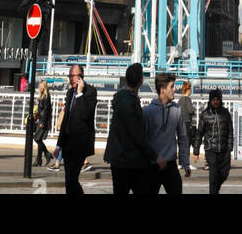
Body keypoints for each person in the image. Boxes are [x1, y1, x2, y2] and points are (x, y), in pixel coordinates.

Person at [105, 63, 157, 195]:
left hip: (120, 159)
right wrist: (154, 156)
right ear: (141, 81)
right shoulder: (128, 101)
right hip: (130, 161)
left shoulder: (123, 99)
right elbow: (136, 133)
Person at [143, 72, 191, 195]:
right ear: (163, 90)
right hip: (152, 166)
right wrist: (154, 158)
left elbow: (183, 138)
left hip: (171, 166)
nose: (175, 89)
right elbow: (142, 140)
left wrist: (185, 163)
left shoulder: (177, 110)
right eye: (172, 86)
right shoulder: (148, 112)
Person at [56, 65, 97, 196]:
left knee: (72, 179)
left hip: (80, 144)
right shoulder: (69, 93)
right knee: (69, 180)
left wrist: (80, 94)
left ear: (81, 77)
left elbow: (86, 114)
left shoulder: (90, 92)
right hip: (67, 143)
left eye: (74, 76)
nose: (71, 79)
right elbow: (65, 120)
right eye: (70, 76)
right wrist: (59, 145)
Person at [192, 88, 234, 195]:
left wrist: (230, 148)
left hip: (224, 149)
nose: (215, 102)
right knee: (213, 173)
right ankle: (213, 191)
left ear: (220, 100)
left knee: (224, 173)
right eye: (213, 100)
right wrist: (196, 151)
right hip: (210, 149)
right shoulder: (205, 114)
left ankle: (215, 189)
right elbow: (199, 133)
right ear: (210, 101)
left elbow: (230, 131)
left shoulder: (225, 113)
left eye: (217, 99)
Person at [33, 81, 53, 168]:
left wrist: (43, 123)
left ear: (44, 87)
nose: (39, 88)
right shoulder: (43, 96)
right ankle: (44, 155)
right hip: (41, 120)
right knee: (38, 139)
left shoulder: (46, 96)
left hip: (43, 121)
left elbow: (46, 111)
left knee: (37, 139)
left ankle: (41, 158)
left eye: (40, 86)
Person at [178, 81, 196, 156]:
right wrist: (194, 110)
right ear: (187, 90)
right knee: (187, 143)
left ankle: (181, 162)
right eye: (190, 89)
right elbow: (190, 110)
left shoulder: (180, 99)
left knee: (182, 143)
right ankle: (187, 163)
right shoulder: (188, 99)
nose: (191, 91)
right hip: (187, 123)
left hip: (180, 123)